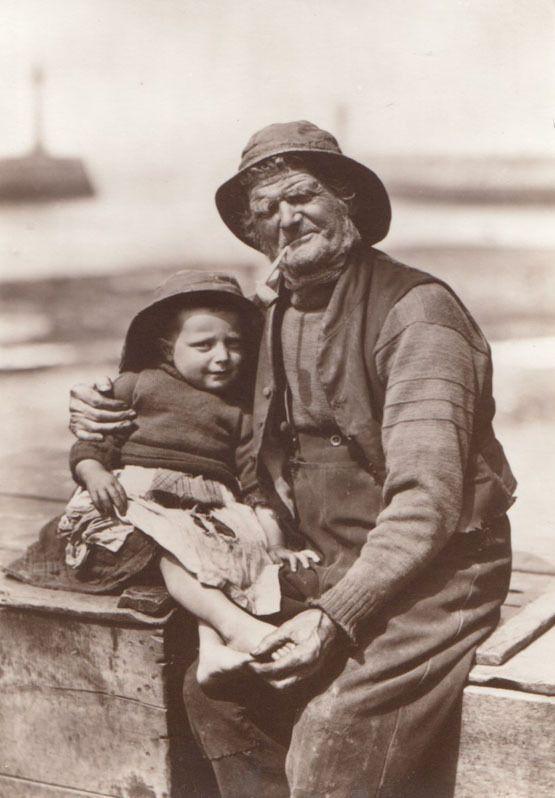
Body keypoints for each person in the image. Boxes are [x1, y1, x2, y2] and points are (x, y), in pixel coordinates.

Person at [68, 121, 516, 798]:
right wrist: (99, 407)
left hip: (434, 577)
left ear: (347, 203)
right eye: (265, 212)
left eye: (300, 196)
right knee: (214, 696)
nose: (285, 219)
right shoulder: (274, 314)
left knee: (331, 753)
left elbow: (428, 502)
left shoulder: (417, 314)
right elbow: (186, 384)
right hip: (315, 560)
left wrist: (334, 617)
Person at [6, 269, 318, 689]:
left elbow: (251, 483)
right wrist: (94, 471)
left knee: (231, 550)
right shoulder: (139, 386)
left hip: (207, 508)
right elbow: (92, 442)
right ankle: (238, 628)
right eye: (203, 345)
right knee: (176, 546)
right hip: (136, 501)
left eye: (235, 344)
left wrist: (275, 544)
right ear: (168, 348)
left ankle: (214, 650)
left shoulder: (241, 413)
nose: (222, 356)